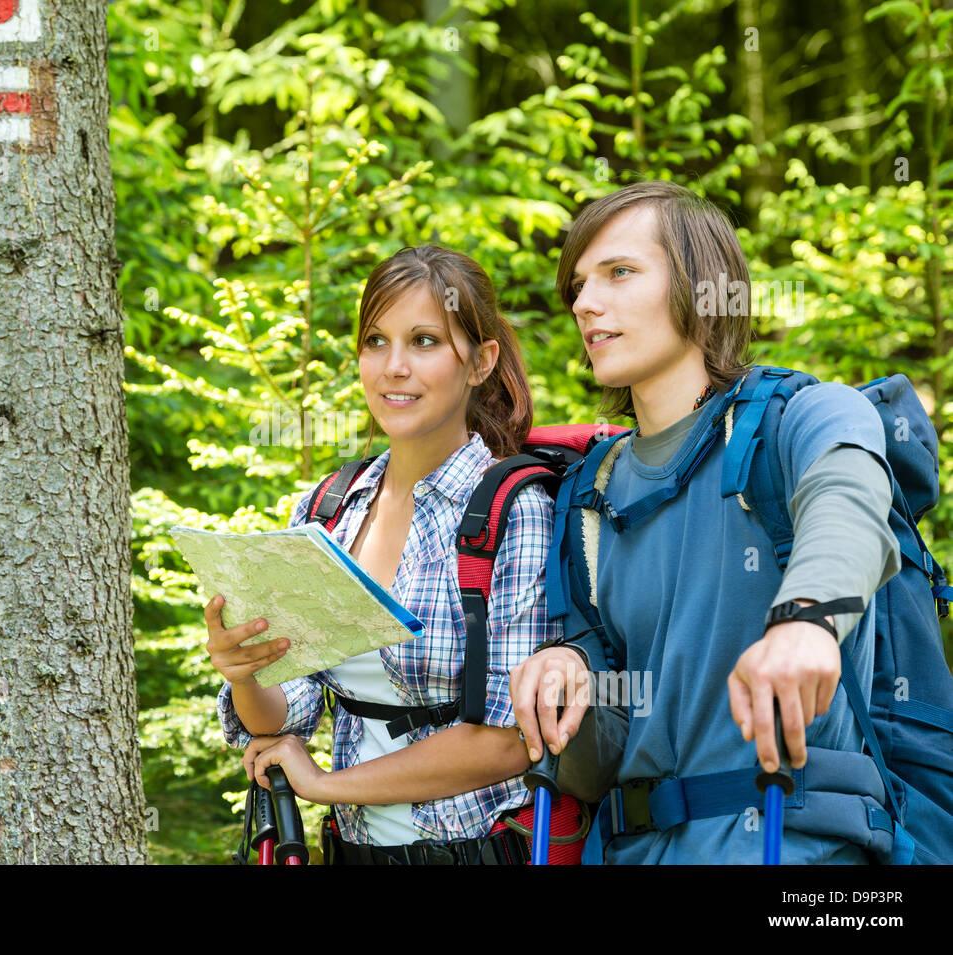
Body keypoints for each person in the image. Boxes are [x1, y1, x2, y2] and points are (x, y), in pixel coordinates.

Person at [510, 180, 903, 864]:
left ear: (701, 284)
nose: (583, 303)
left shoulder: (799, 417)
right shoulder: (589, 490)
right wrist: (565, 675)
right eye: (577, 284)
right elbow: (603, 750)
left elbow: (848, 493)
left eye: (619, 272)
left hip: (798, 848)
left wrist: (808, 618)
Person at [205, 245, 560, 864]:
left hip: (471, 852)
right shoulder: (326, 512)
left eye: (425, 341)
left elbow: (512, 740)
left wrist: (325, 785)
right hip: (349, 851)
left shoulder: (512, 511)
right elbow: (287, 713)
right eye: (376, 341)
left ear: (481, 361)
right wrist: (244, 674)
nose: (394, 366)